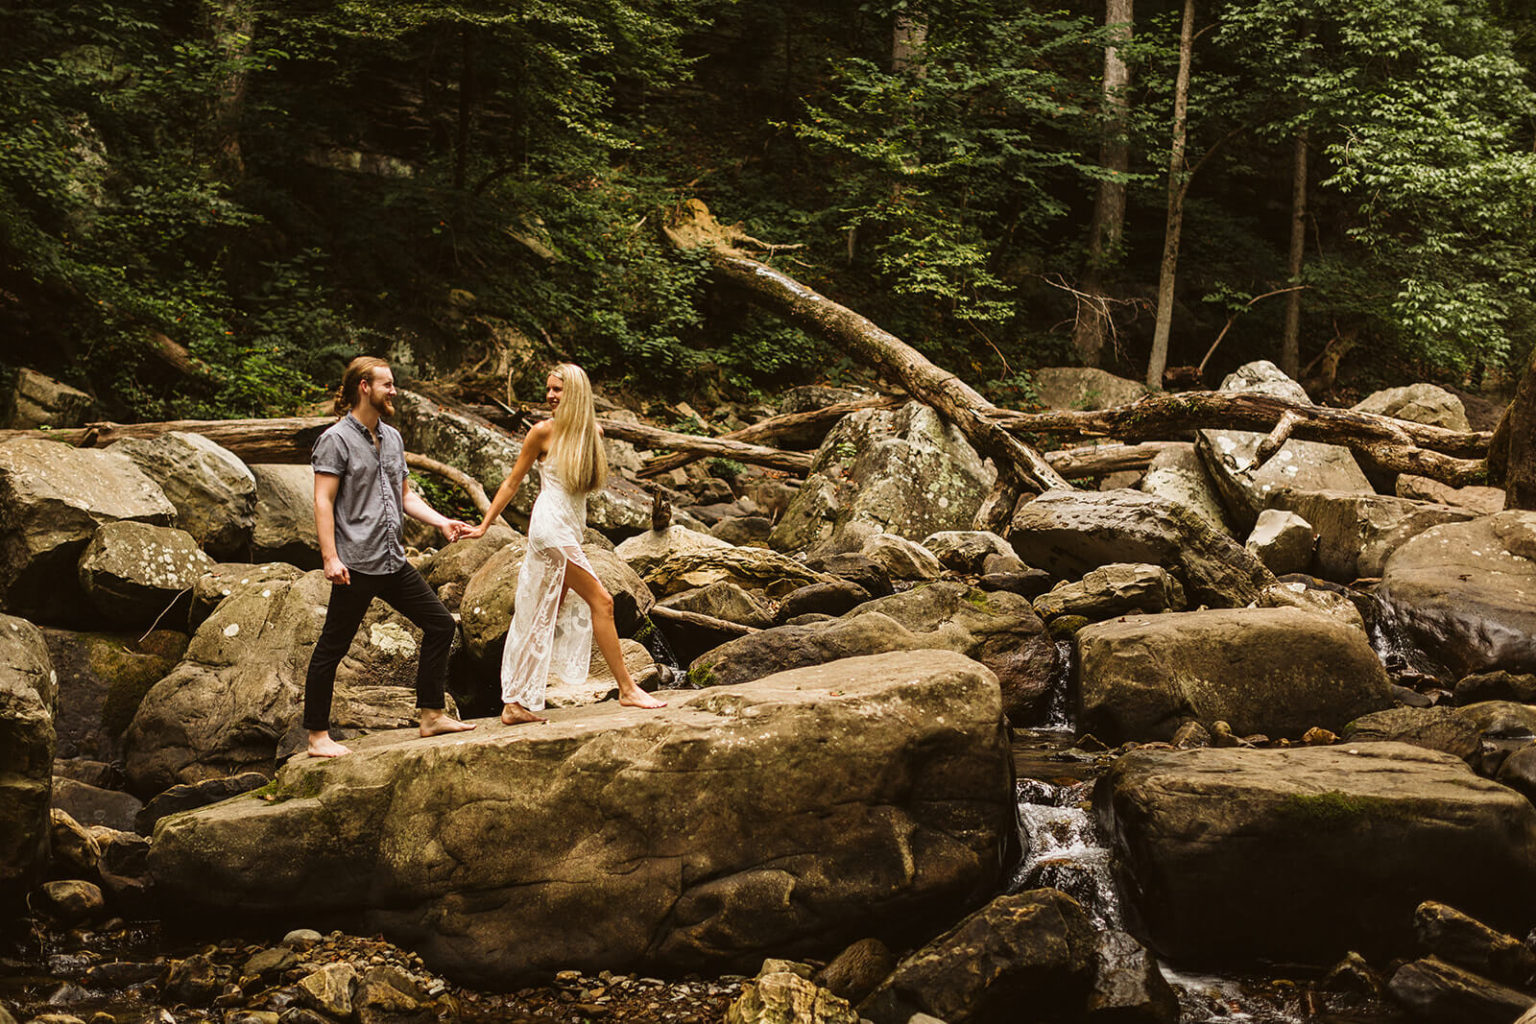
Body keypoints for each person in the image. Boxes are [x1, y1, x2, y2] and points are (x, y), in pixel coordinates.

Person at [462, 363, 666, 724]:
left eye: (558, 390)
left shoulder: (592, 434)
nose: (551, 396)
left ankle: (513, 704)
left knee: (543, 611)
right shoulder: (541, 433)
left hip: (569, 528)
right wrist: (484, 526)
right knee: (601, 601)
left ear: (576, 394)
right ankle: (628, 689)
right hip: (548, 527)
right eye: (549, 390)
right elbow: (511, 482)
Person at [302, 356, 478, 757]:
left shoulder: (393, 438)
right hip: (356, 564)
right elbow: (322, 500)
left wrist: (442, 522)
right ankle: (317, 737)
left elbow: (404, 495)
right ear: (364, 387)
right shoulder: (335, 439)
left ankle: (431, 714)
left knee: (440, 625)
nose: (394, 391)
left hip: (392, 560)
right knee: (332, 648)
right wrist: (330, 557)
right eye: (388, 384)